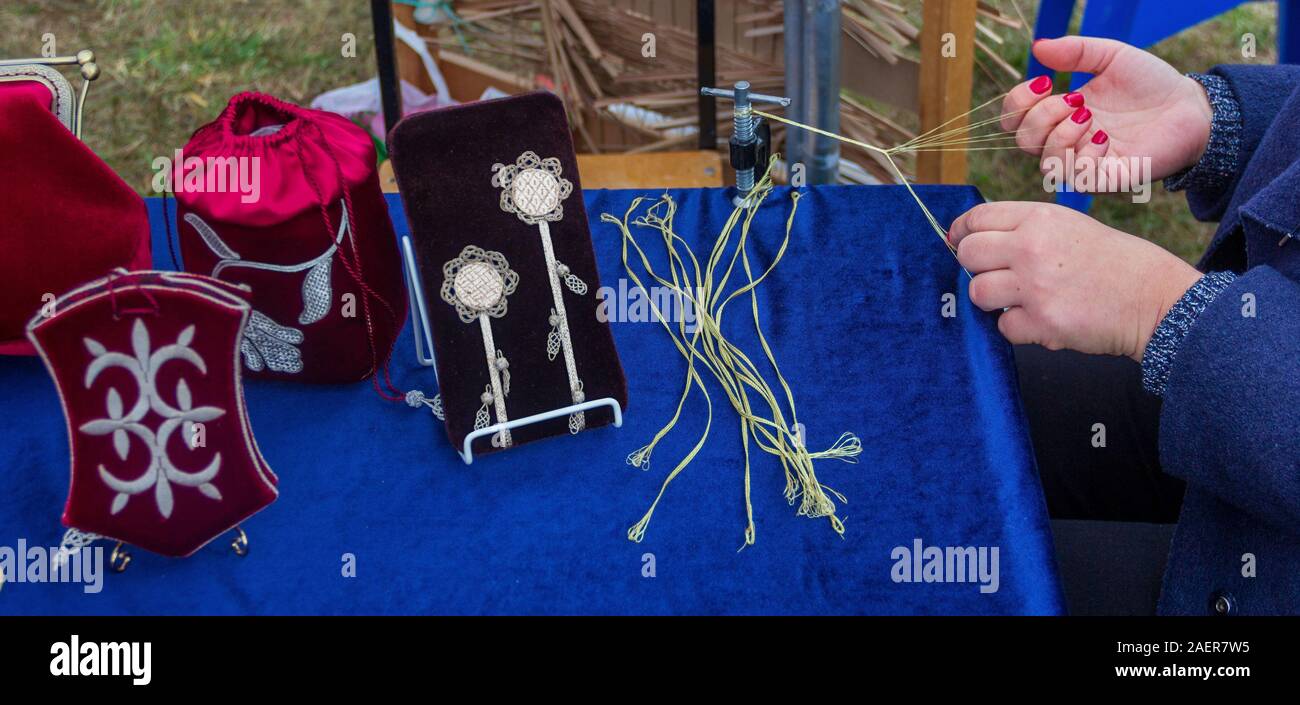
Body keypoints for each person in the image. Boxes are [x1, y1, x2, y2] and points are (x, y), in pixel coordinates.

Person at [948, 35, 1300, 615]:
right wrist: (1218, 121)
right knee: (957, 378)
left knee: (926, 578)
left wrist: (1157, 308)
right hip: (1250, 398)